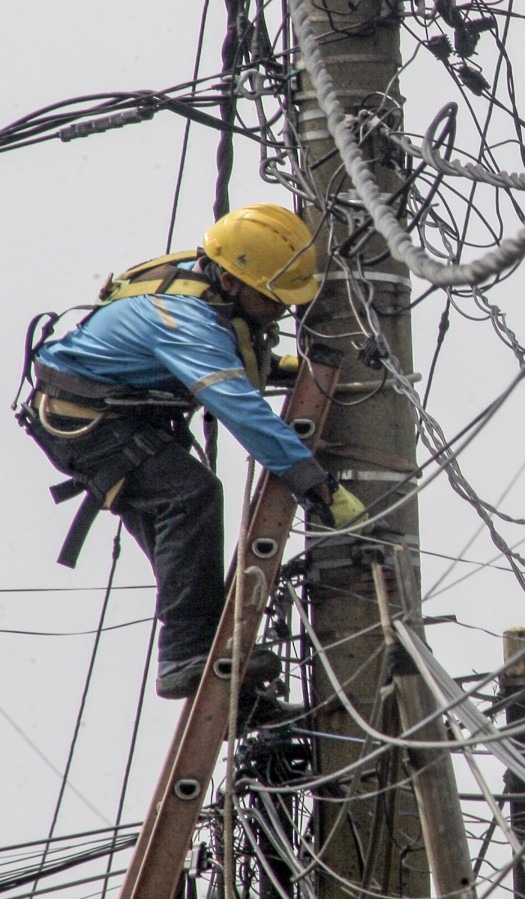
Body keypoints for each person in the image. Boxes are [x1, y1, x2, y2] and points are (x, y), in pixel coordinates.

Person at [17, 203, 367, 699]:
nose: (282, 310)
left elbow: (233, 361)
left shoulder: (209, 288)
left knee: (182, 538)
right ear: (230, 281)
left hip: (119, 413)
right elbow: (239, 408)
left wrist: (284, 368)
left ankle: (234, 693)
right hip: (86, 424)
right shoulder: (183, 318)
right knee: (190, 499)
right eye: (272, 300)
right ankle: (186, 654)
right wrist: (317, 486)